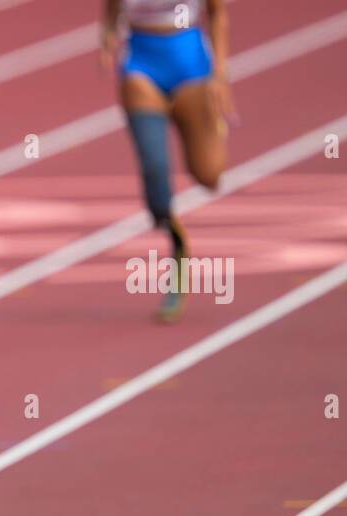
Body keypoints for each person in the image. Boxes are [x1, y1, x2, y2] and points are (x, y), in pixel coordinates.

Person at [101, 0, 235, 322]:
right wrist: (107, 37)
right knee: (155, 172)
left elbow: (217, 14)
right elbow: (111, 8)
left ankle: (205, 121)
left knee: (209, 175)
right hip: (141, 66)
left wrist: (220, 75)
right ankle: (177, 246)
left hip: (190, 64)